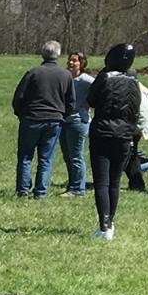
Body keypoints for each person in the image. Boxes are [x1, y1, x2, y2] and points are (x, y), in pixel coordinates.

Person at [84, 43, 142, 240]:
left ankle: (104, 224)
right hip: (125, 134)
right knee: (114, 182)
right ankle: (111, 224)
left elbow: (91, 100)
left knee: (102, 181)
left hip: (103, 132)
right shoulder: (134, 81)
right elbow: (136, 106)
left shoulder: (105, 78)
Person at [11, 41, 72, 197]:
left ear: (42, 54)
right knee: (46, 158)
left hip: (31, 118)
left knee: (25, 156)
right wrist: (63, 116)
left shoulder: (33, 73)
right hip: (54, 120)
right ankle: (41, 191)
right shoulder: (65, 75)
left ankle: (23, 190)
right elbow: (70, 101)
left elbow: (19, 96)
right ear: (58, 55)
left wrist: (20, 113)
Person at [58, 50, 92, 196]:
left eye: (75, 60)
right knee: (67, 156)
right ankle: (72, 185)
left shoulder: (86, 80)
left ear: (82, 63)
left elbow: (100, 91)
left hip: (78, 121)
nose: (71, 63)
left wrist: (88, 103)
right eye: (70, 60)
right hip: (64, 120)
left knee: (76, 155)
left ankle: (78, 189)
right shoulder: (65, 77)